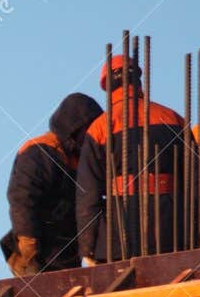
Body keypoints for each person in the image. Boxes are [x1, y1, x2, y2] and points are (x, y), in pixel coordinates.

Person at [77, 55, 187, 263]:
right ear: (138, 79)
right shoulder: (173, 118)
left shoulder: (99, 129)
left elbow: (87, 195)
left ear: (107, 87)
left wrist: (88, 247)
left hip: (120, 233)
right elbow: (197, 178)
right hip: (172, 230)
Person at [3, 93, 103, 276]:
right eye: (87, 130)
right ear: (73, 128)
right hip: (38, 252)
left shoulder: (80, 158)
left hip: (65, 253)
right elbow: (22, 198)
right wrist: (28, 243)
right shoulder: (40, 151)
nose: (90, 136)